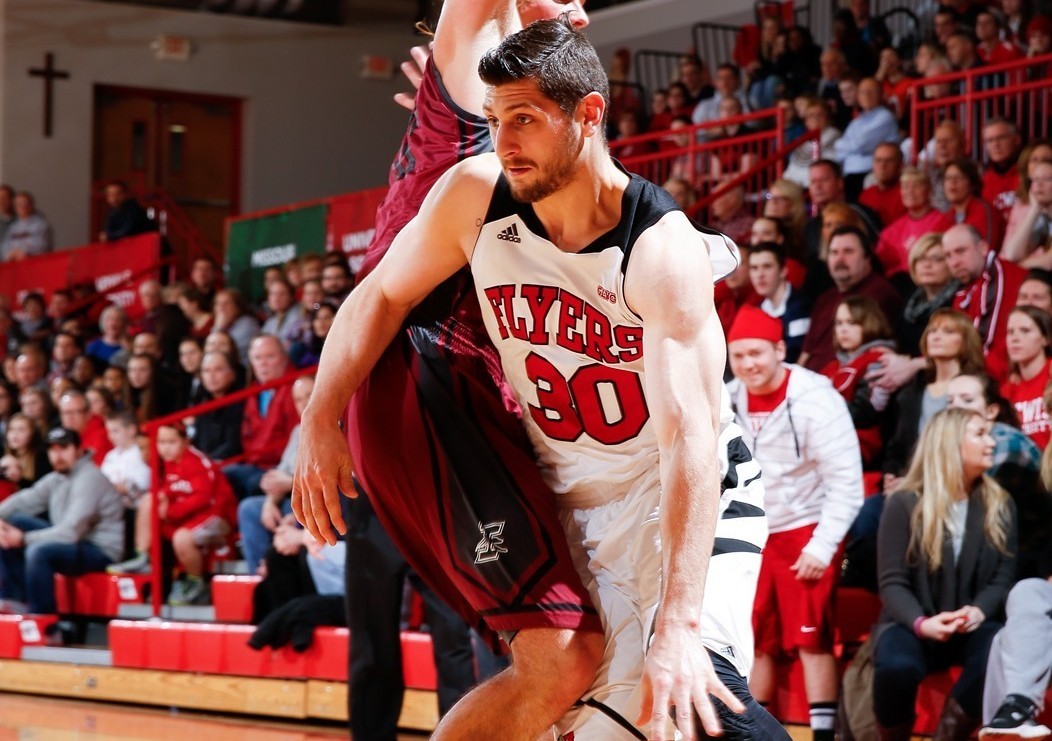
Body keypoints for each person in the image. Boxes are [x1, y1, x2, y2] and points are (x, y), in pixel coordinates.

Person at [294, 17, 782, 741]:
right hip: (571, 497)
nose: (504, 141)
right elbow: (381, 296)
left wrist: (678, 625)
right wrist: (321, 415)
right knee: (584, 706)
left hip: (673, 495)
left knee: (696, 704)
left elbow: (690, 444)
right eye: (494, 120)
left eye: (523, 118)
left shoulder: (661, 251)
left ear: (588, 114)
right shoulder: (475, 195)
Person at [726, 306, 863, 741]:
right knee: (753, 638)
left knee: (811, 638)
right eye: (738, 355)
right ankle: (754, 733)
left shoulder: (817, 398)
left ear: (780, 350)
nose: (748, 364)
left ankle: (823, 735)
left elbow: (847, 483)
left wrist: (822, 546)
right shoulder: (726, 398)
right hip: (751, 528)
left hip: (806, 524)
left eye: (756, 353)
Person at [873, 408, 1017, 741]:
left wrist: (978, 611)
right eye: (980, 434)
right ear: (950, 443)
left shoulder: (1001, 502)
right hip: (912, 623)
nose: (991, 442)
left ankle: (947, 736)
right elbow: (892, 583)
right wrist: (922, 624)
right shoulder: (903, 502)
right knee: (895, 665)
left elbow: (1003, 576)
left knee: (998, 646)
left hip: (972, 624)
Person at [109, 421, 236, 606]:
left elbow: (205, 499)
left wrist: (170, 511)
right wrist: (163, 497)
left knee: (181, 538)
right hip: (187, 515)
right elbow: (171, 490)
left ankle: (195, 582)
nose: (165, 448)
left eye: (171, 442)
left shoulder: (198, 462)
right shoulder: (167, 463)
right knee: (149, 500)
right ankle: (142, 555)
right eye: (161, 442)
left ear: (185, 442)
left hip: (216, 516)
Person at [0, 427, 124, 614]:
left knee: (38, 551)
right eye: (53, 449)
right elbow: (24, 501)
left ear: (79, 450)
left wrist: (23, 539)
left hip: (99, 549)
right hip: (75, 541)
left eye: (64, 448)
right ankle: (16, 599)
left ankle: (43, 619)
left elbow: (71, 532)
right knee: (12, 521)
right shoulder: (57, 478)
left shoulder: (89, 478)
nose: (57, 456)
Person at [883, 309, 987, 488]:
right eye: (932, 331)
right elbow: (897, 448)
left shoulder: (975, 389)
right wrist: (890, 475)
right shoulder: (910, 394)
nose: (936, 337)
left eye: (948, 331)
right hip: (909, 481)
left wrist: (915, 483)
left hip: (954, 482)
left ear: (965, 341)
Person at [798, 226, 903, 372]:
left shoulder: (879, 295)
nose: (840, 259)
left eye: (848, 251)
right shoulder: (824, 298)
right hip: (810, 379)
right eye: (834, 252)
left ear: (867, 257)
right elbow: (805, 354)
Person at [237, 375, 313, 574]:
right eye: (298, 399)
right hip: (291, 497)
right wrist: (270, 503)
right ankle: (261, 575)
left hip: (313, 499)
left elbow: (331, 479)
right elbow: (280, 472)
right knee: (250, 508)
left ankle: (274, 571)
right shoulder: (298, 431)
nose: (303, 403)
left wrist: (291, 483)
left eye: (309, 395)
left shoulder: (336, 427)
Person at [820, 296, 896, 466]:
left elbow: (866, 413)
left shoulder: (879, 360)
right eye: (839, 323)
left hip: (860, 447)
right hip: (827, 440)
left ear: (869, 323)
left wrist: (822, 408)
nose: (843, 329)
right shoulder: (832, 366)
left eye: (852, 322)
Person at [946, 223, 1028, 377]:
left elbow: (992, 349)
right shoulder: (965, 287)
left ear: (983, 248)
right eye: (948, 256)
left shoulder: (1001, 276)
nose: (954, 262)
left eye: (960, 251)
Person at [223, 335, 298, 502]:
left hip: (281, 467)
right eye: (257, 358)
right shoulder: (254, 391)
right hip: (256, 464)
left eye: (270, 356)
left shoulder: (297, 389)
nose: (263, 363)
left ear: (284, 357)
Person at [830, 79, 901, 200]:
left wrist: (845, 145)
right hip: (849, 175)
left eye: (871, 91)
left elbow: (861, 144)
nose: (866, 95)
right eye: (863, 92)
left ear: (881, 94)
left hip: (871, 174)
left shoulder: (885, 117)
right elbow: (838, 152)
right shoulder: (856, 121)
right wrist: (847, 145)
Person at [877, 168, 953, 280]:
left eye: (916, 186)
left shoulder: (942, 222)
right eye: (905, 186)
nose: (910, 191)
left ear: (929, 190)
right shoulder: (892, 230)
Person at [749, 241, 811, 363]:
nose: (760, 274)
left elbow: (793, 354)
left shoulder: (802, 307)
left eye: (767, 266)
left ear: (783, 270)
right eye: (754, 268)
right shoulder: (756, 312)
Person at [900, 233, 960, 357]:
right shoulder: (910, 300)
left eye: (936, 259)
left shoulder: (960, 299)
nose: (926, 265)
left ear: (950, 263)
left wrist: (914, 364)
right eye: (920, 258)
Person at [1000, 306, 1052, 448]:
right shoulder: (1006, 392)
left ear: (1045, 338)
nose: (1015, 338)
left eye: (1025, 330)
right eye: (1010, 332)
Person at [190, 350, 244, 461]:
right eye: (206, 371)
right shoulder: (203, 403)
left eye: (218, 369)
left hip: (229, 463)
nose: (211, 376)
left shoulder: (241, 403)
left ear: (232, 374)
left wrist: (207, 462)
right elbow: (197, 441)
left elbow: (233, 445)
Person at [945, 159, 1007, 250]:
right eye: (948, 178)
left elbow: (986, 250)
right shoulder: (947, 216)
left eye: (958, 177)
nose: (952, 182)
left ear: (971, 183)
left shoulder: (984, 211)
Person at [1002, 160, 1052, 268]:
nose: (1039, 184)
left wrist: (1019, 265)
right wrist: (1034, 209)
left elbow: (1049, 262)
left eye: (1047, 179)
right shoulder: (1042, 219)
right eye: (1035, 179)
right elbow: (1012, 254)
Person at [981, 119, 1024, 222]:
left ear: (1017, 140)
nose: (995, 144)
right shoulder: (982, 178)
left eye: (1001, 138)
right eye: (990, 140)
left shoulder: (1029, 173)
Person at [859, 142, 907, 229]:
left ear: (900, 166)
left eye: (889, 161)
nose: (882, 165)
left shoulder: (908, 194)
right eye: (878, 160)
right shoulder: (866, 195)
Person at [0, 192, 52, 261]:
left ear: (31, 205)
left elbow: (42, 245)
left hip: (35, 262)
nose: (23, 207)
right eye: (19, 204)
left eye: (25, 203)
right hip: (14, 263)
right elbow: (5, 246)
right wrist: (10, 253)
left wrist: (24, 252)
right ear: (15, 207)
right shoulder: (12, 227)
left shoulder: (41, 225)